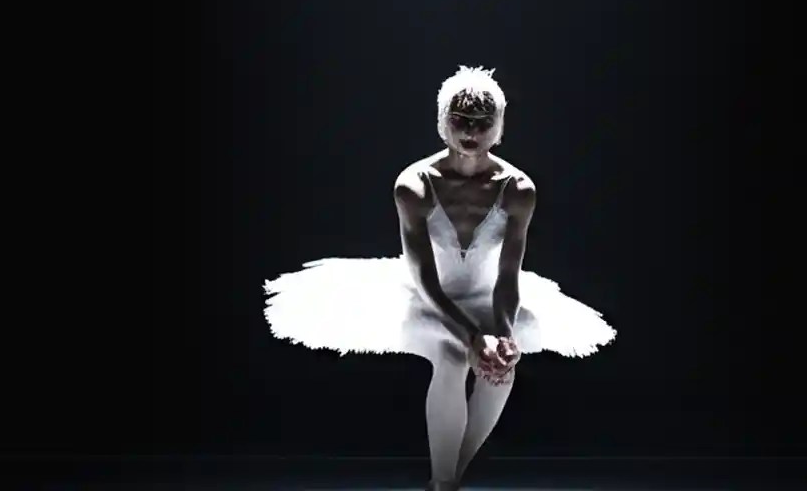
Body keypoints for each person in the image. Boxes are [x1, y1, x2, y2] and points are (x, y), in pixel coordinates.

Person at [263, 65, 617, 491]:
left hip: (489, 298)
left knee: (502, 366)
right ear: (442, 121)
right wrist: (471, 335)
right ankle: (445, 483)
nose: (471, 131)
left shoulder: (519, 189)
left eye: (482, 122)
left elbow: (509, 274)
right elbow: (423, 275)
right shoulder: (413, 185)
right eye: (460, 120)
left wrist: (503, 335)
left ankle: (447, 480)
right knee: (452, 359)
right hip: (428, 299)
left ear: (499, 127)